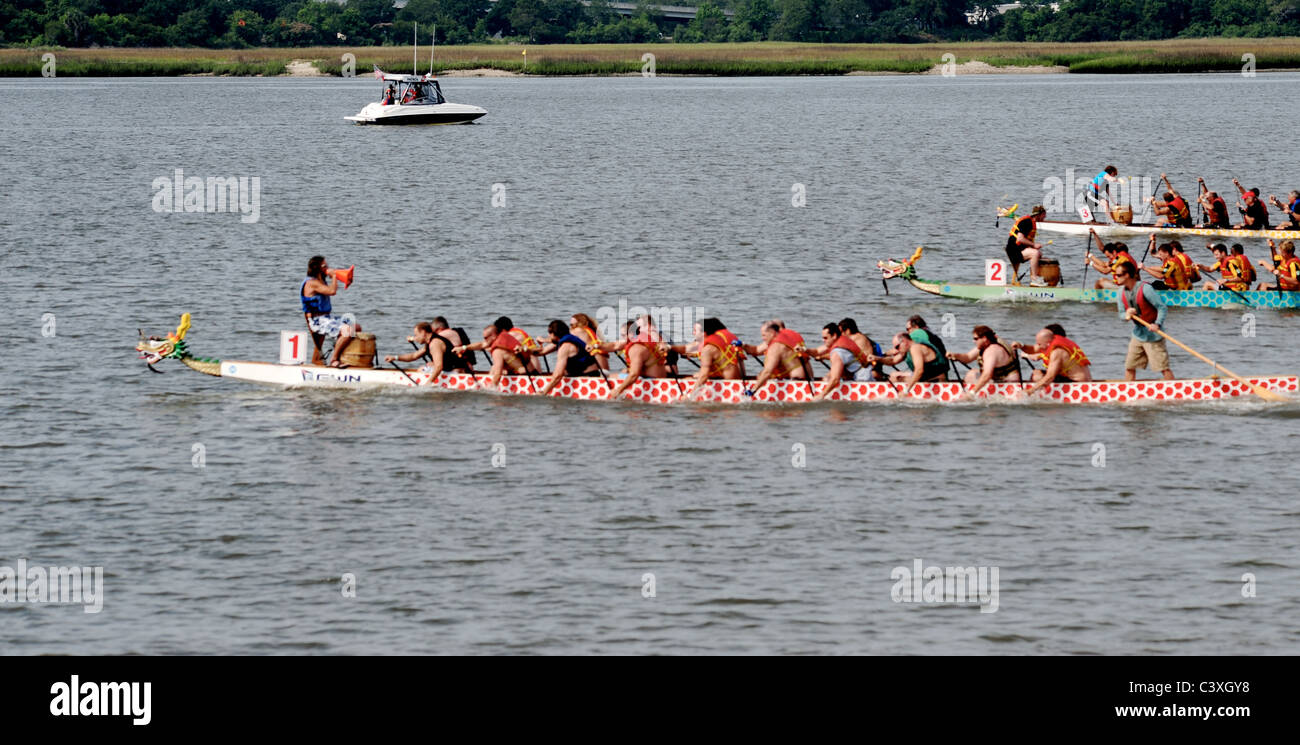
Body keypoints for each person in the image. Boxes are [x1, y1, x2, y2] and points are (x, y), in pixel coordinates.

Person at [1116, 262, 1174, 381]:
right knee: (1129, 367)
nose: (1116, 277)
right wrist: (1127, 315)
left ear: (1127, 275)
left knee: (1163, 368)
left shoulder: (1145, 289)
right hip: (1138, 335)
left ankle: (1175, 392)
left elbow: (1161, 307)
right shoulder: (1120, 292)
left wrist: (1157, 324)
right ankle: (1128, 394)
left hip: (1154, 335)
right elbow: (1121, 314)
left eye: (1118, 275)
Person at [300, 255, 360, 367]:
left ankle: (343, 357)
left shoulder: (320, 280)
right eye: (324, 266)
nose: (327, 268)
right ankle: (334, 360)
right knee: (348, 330)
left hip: (327, 317)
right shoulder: (312, 283)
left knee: (356, 327)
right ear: (317, 268)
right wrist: (334, 276)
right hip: (317, 320)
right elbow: (332, 291)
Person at [1012, 326, 1092, 396]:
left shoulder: (1057, 351)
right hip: (1077, 379)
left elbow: (1050, 377)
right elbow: (1033, 349)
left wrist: (1029, 391)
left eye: (1039, 344)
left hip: (1078, 383)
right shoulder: (1051, 342)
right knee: (1037, 373)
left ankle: (1040, 395)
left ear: (1047, 343)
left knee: (1037, 376)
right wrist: (1021, 346)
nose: (1038, 346)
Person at [602, 319, 671, 400]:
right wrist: (596, 346)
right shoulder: (646, 340)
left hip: (651, 382)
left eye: (623, 335)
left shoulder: (636, 348)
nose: (622, 338)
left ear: (631, 334)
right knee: (623, 372)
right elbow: (614, 345)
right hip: (660, 379)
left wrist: (618, 390)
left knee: (609, 376)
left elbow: (634, 375)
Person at [946, 325, 1020, 395]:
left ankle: (967, 393)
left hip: (1008, 384)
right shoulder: (987, 345)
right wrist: (955, 355)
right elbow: (968, 357)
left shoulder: (991, 351)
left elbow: (987, 375)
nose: (973, 341)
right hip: (1001, 379)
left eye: (976, 339)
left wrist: (972, 393)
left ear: (984, 338)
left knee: (970, 376)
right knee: (972, 373)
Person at [748, 321, 812, 397]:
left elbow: (767, 372)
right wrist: (744, 346)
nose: (762, 338)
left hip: (795, 383)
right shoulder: (788, 338)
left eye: (764, 335)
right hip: (807, 379)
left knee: (762, 375)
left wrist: (753, 390)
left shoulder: (775, 346)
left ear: (772, 333)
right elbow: (756, 350)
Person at [811, 323, 873, 401]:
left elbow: (835, 380)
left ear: (834, 336)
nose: (823, 340)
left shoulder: (837, 352)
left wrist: (821, 395)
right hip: (862, 375)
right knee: (827, 377)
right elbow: (816, 351)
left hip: (862, 380)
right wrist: (805, 350)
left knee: (830, 377)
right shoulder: (840, 342)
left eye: (825, 338)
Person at [538, 320, 600, 395]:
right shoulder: (568, 339)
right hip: (593, 374)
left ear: (555, 335)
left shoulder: (565, 347)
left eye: (550, 334)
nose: (549, 336)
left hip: (587, 380)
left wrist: (544, 392)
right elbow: (541, 352)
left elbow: (558, 375)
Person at [688, 318, 745, 395]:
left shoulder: (709, 348)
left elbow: (704, 375)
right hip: (738, 378)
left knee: (693, 377)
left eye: (695, 330)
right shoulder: (723, 340)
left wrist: (690, 395)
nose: (693, 333)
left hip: (729, 385)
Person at [385, 321, 456, 381]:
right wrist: (395, 357)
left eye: (416, 335)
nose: (415, 338)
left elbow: (439, 367)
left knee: (421, 370)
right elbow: (414, 356)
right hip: (449, 370)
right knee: (422, 369)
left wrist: (428, 384)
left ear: (423, 332)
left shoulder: (435, 343)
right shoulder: (429, 343)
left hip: (455, 372)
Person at [1005, 205, 1049, 286]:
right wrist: (1034, 245)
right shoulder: (1027, 222)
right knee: (1035, 253)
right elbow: (1020, 239)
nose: (1045, 217)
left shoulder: (1031, 222)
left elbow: (1025, 241)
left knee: (1039, 254)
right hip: (1013, 251)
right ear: (1038, 214)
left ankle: (1036, 279)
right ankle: (1035, 279)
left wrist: (1034, 246)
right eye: (1044, 215)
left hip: (1018, 250)